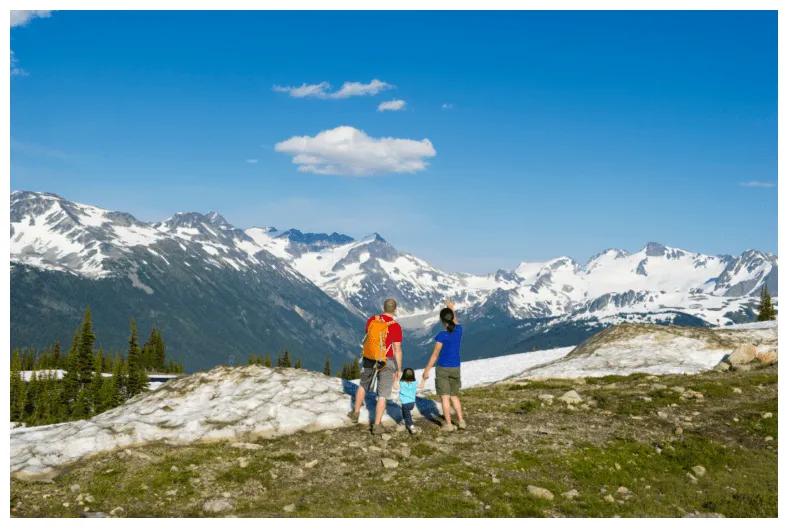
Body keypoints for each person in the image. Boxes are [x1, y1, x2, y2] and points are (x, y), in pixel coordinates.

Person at [348, 298, 403, 435]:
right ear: (395, 310)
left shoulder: (373, 319)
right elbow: (397, 349)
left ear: (383, 308)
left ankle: (355, 413)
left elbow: (369, 336)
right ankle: (377, 425)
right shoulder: (395, 326)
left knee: (363, 385)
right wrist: (398, 368)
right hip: (386, 360)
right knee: (382, 395)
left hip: (370, 357)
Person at [419, 300, 465, 432]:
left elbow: (435, 354)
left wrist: (426, 371)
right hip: (456, 368)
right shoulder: (459, 330)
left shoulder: (441, 336)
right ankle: (461, 421)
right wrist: (452, 309)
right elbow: (455, 321)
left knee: (445, 397)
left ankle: (449, 424)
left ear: (441, 320)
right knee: (454, 396)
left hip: (443, 369)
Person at [399, 368, 419, 435]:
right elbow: (420, 385)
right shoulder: (414, 383)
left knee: (407, 414)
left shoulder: (402, 383)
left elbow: (396, 386)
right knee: (404, 410)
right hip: (412, 403)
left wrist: (396, 379)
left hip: (405, 403)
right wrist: (424, 380)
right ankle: (405, 420)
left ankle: (411, 426)